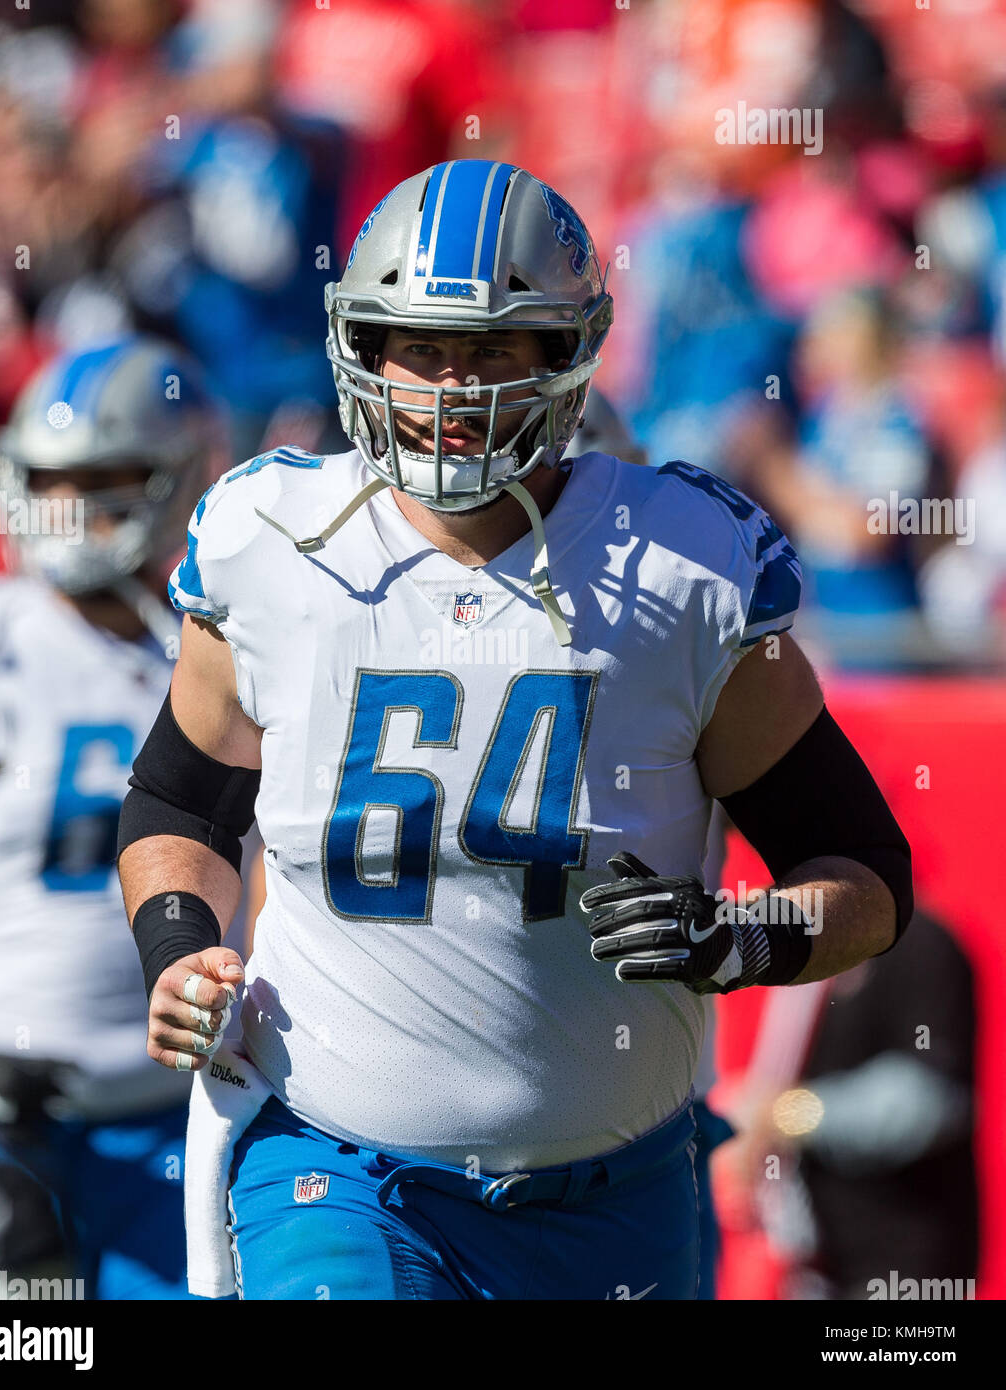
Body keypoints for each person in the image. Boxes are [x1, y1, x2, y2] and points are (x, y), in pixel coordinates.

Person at [118, 160, 913, 1301]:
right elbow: (180, 803)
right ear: (362, 348)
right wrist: (180, 940)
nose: (450, 386)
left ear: (566, 354)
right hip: (337, 1166)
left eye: (491, 349)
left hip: (611, 1197)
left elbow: (865, 878)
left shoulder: (684, 568)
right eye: (419, 345)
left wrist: (740, 940)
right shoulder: (269, 536)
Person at [0, 335, 218, 1298]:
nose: (74, 509)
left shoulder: (228, 652)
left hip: (184, 1107)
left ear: (183, 479)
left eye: (109, 478)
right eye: (53, 481)